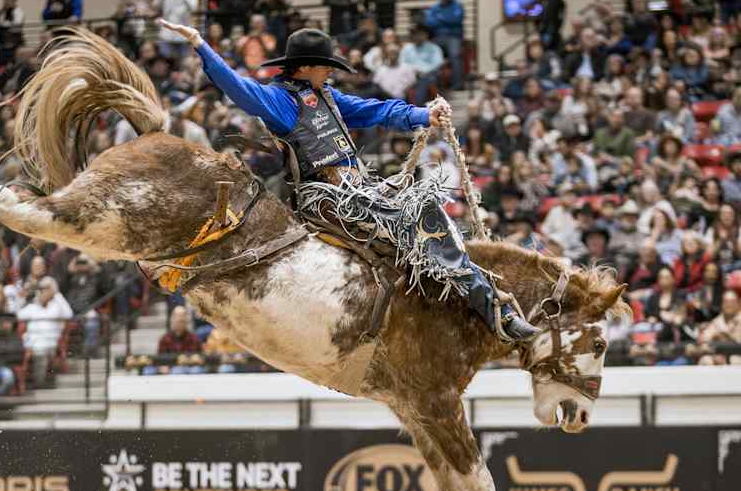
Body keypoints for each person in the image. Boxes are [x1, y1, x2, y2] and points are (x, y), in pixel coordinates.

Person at [160, 19, 539, 341]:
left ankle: (459, 301)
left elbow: (377, 110)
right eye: (326, 66)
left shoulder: (326, 96)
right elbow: (239, 89)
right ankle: (491, 310)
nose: (331, 72)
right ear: (306, 67)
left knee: (427, 212)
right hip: (322, 194)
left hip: (355, 188)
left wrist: (423, 115)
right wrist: (200, 45)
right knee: (419, 214)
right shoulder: (280, 100)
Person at [17, 276, 72, 386]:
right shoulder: (33, 306)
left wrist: (56, 294)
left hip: (49, 342)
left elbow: (69, 314)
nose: (43, 292)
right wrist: (24, 297)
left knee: (40, 352)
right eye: (41, 289)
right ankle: (30, 382)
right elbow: (18, 314)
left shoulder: (57, 306)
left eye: (46, 289)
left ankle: (39, 382)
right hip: (31, 342)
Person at [423, 0, 464, 90]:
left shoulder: (458, 6)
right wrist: (446, 19)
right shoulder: (435, 7)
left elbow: (456, 20)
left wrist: (439, 18)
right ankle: (433, 84)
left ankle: (458, 84)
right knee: (428, 52)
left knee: (455, 55)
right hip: (437, 37)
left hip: (453, 37)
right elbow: (429, 22)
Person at [0, 0, 25, 67]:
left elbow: (17, 26)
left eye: (8, 0)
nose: (6, 2)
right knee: (1, 67)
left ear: (14, 1)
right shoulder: (1, 12)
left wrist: (6, 25)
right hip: (2, 46)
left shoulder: (18, 11)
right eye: (5, 0)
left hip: (15, 45)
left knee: (15, 66)